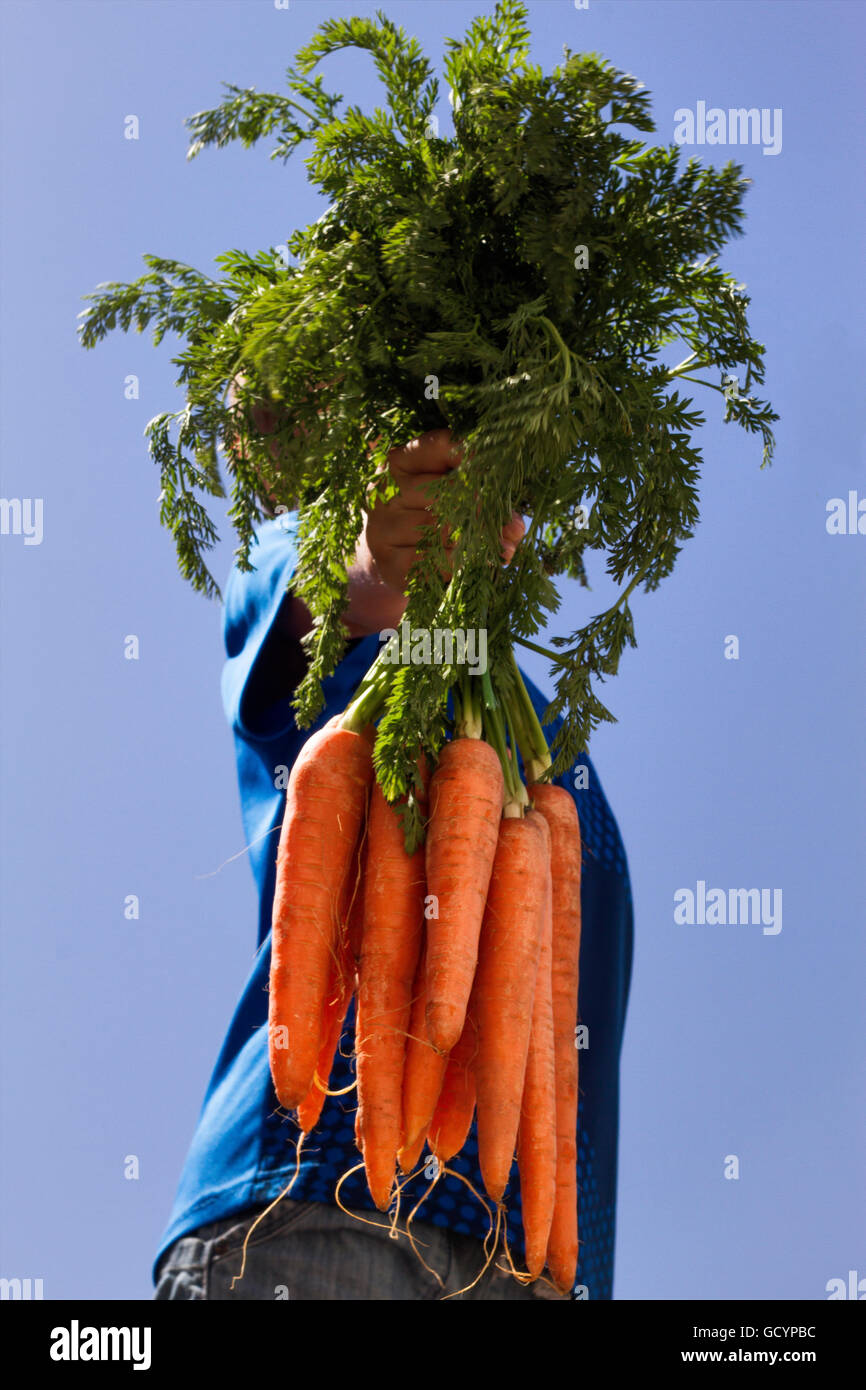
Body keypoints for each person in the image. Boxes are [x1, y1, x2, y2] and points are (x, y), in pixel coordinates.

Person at [152, 410, 633, 1301]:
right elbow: (316, 597)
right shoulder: (315, 566)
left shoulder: (536, 721)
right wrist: (373, 563)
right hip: (315, 1211)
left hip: (540, 1257)